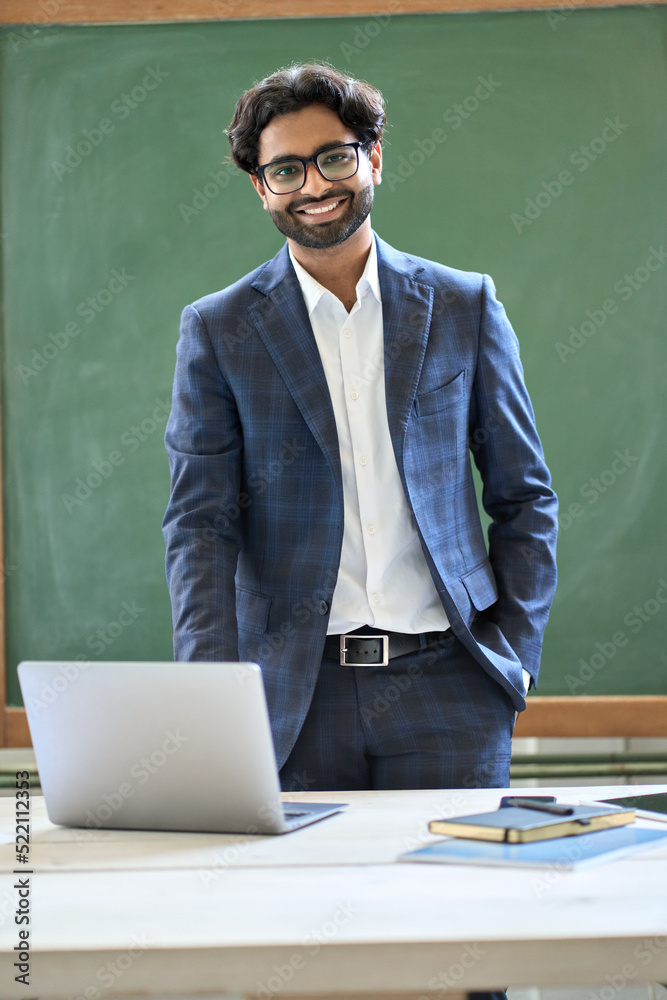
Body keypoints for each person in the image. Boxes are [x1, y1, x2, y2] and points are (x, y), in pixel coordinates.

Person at [163, 62, 558, 794]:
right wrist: (212, 698)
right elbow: (200, 526)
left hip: (451, 688)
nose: (313, 186)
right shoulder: (219, 330)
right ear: (260, 187)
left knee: (454, 907)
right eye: (285, 170)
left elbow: (524, 495)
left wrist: (512, 652)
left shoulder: (463, 305)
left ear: (372, 156)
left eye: (333, 157)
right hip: (287, 695)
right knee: (290, 907)